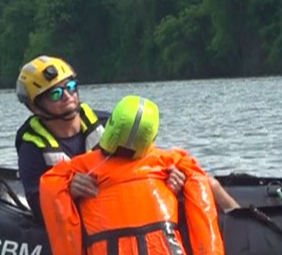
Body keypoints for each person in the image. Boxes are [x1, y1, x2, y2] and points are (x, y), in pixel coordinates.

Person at [40, 95, 229, 255]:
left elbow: (51, 191)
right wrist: (72, 189)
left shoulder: (73, 171)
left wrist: (179, 186)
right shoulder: (171, 162)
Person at [14, 55, 238, 223]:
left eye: (71, 87)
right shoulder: (32, 146)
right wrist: (67, 191)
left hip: (129, 197)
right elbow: (38, 206)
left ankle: (242, 223)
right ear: (35, 106)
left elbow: (146, 159)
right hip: (91, 218)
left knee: (206, 182)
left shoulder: (106, 122)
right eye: (56, 93)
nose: (68, 96)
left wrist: (172, 177)